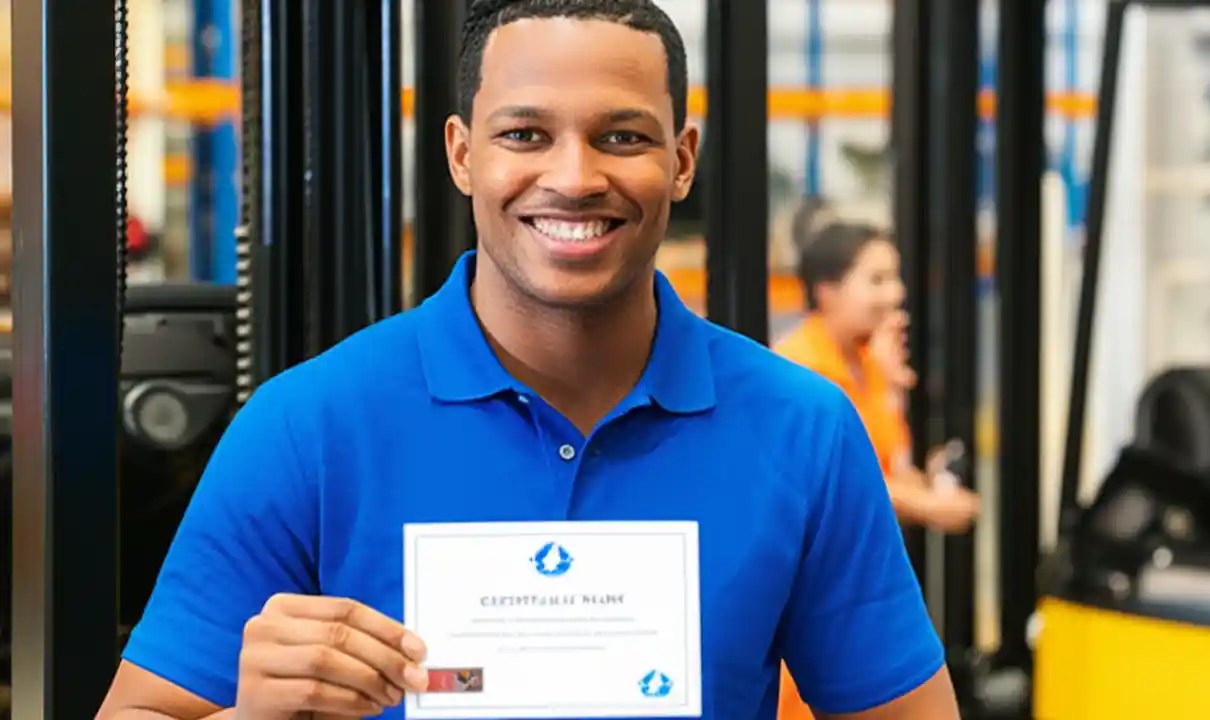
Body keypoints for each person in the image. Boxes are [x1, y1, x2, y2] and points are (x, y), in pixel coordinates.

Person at [96, 1, 960, 718]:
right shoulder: (306, 428)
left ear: (683, 161)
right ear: (463, 155)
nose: (576, 176)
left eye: (623, 137)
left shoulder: (801, 431)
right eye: (525, 134)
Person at [772, 221, 981, 720]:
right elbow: (836, 485)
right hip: (813, 611)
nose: (896, 294)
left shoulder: (868, 361)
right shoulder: (801, 372)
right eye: (878, 280)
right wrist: (928, 505)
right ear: (828, 291)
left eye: (895, 278)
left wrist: (893, 391)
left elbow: (887, 466)